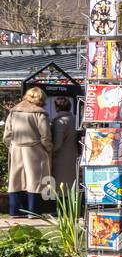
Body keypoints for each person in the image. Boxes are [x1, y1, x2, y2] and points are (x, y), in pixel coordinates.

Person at [4, 86, 52, 217]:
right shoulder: (40, 113)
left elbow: (6, 135)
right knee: (35, 180)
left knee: (16, 179)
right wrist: (48, 149)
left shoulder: (13, 112)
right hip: (35, 149)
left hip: (16, 148)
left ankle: (15, 211)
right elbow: (45, 135)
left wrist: (12, 146)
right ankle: (33, 211)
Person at [50, 96, 77, 195]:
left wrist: (50, 152)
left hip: (60, 158)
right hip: (73, 155)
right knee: (71, 185)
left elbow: (58, 143)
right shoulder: (75, 119)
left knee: (60, 187)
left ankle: (61, 208)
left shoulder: (59, 122)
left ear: (57, 108)